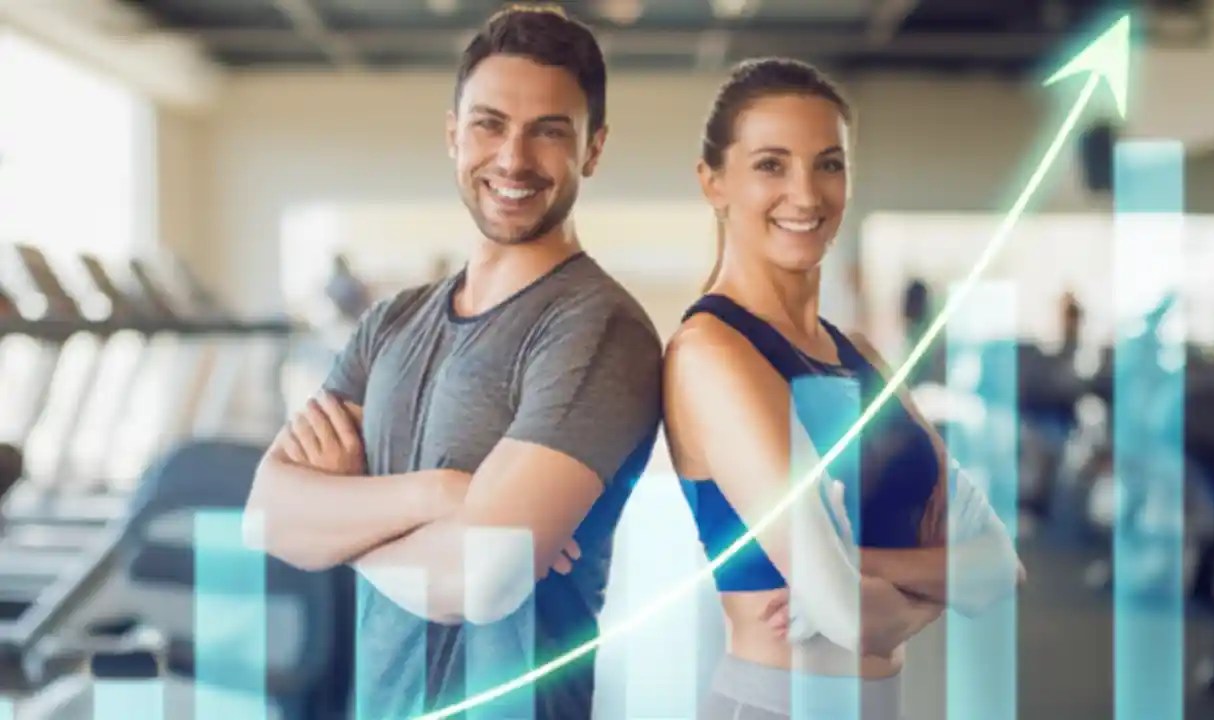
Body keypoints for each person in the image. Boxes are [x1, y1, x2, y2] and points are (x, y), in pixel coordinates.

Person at [244, 6, 663, 719]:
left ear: (593, 149)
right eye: (489, 124)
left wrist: (334, 535)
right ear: (453, 134)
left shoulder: (598, 330)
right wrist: (439, 496)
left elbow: (481, 578)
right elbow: (266, 515)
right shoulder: (391, 321)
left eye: (549, 131)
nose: (513, 159)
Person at [662, 58, 1026, 719]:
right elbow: (850, 617)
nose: (806, 195)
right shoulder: (713, 353)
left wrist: (858, 565)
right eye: (771, 165)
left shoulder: (860, 355)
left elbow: (1002, 567)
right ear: (713, 182)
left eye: (828, 164)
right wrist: (943, 582)